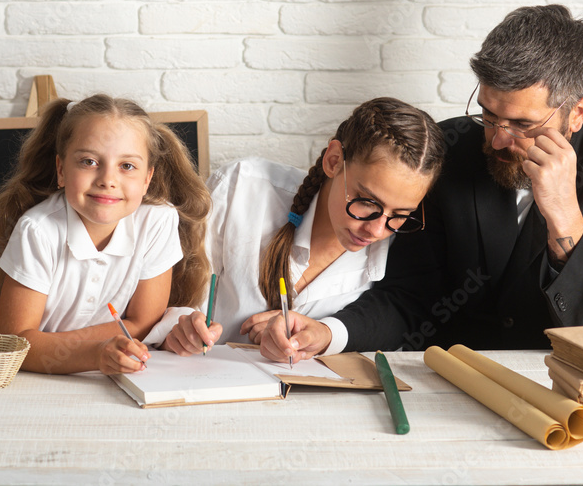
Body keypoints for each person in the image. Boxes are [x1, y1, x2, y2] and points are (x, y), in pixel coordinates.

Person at [258, 4, 583, 361]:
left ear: (577, 113)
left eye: (522, 124)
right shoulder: (450, 147)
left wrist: (564, 215)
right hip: (446, 379)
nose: (498, 139)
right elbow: (408, 298)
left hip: (557, 382)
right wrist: (328, 331)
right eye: (488, 114)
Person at [145, 97, 446, 360]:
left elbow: (397, 318)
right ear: (333, 161)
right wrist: (179, 327)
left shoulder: (400, 248)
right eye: (367, 202)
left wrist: (316, 333)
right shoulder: (241, 189)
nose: (377, 230)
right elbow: (171, 293)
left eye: (401, 214)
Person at [0, 94, 210, 375]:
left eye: (127, 166)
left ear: (147, 178)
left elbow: (145, 323)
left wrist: (40, 341)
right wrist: (93, 353)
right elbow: (18, 348)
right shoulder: (37, 230)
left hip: (124, 376)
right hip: (39, 383)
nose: (107, 180)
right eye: (89, 161)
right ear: (61, 169)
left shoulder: (158, 221)